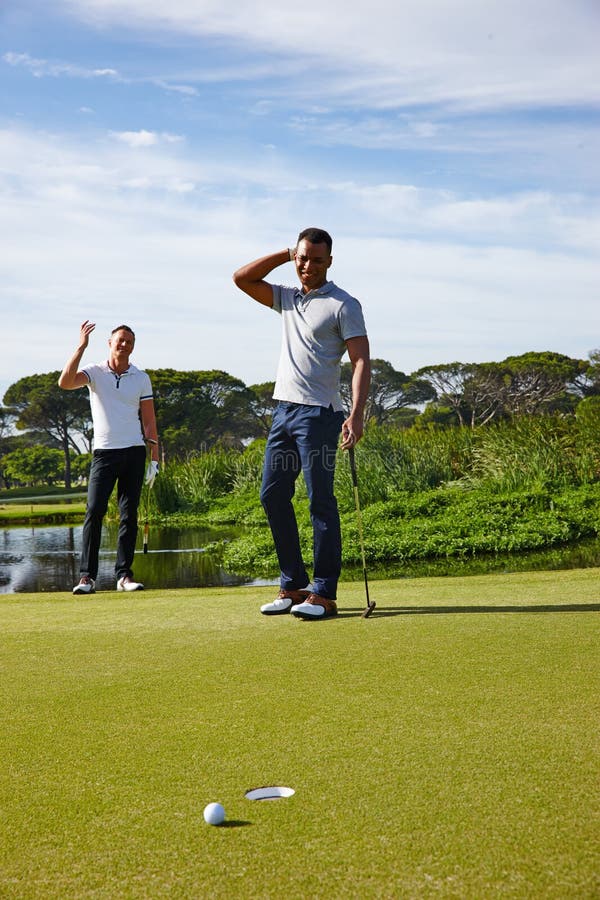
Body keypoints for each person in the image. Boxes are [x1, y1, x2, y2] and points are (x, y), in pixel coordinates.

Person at [233, 227, 370, 620]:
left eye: (316, 260)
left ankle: (324, 594)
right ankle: (293, 586)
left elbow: (361, 360)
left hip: (320, 415)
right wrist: (284, 252)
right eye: (302, 259)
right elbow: (242, 279)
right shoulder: (287, 298)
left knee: (320, 500)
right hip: (284, 414)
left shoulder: (344, 305)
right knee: (272, 495)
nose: (307, 266)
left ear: (329, 261)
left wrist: (356, 414)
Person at [58, 321, 159, 594]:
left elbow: (149, 421)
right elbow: (65, 382)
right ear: (110, 343)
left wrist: (155, 459)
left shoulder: (141, 377)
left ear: (133, 346)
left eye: (129, 341)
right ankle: (86, 577)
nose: (124, 344)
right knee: (94, 511)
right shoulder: (95, 372)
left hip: (134, 452)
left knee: (129, 515)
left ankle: (124, 576)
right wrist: (80, 347)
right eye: (120, 340)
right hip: (104, 453)